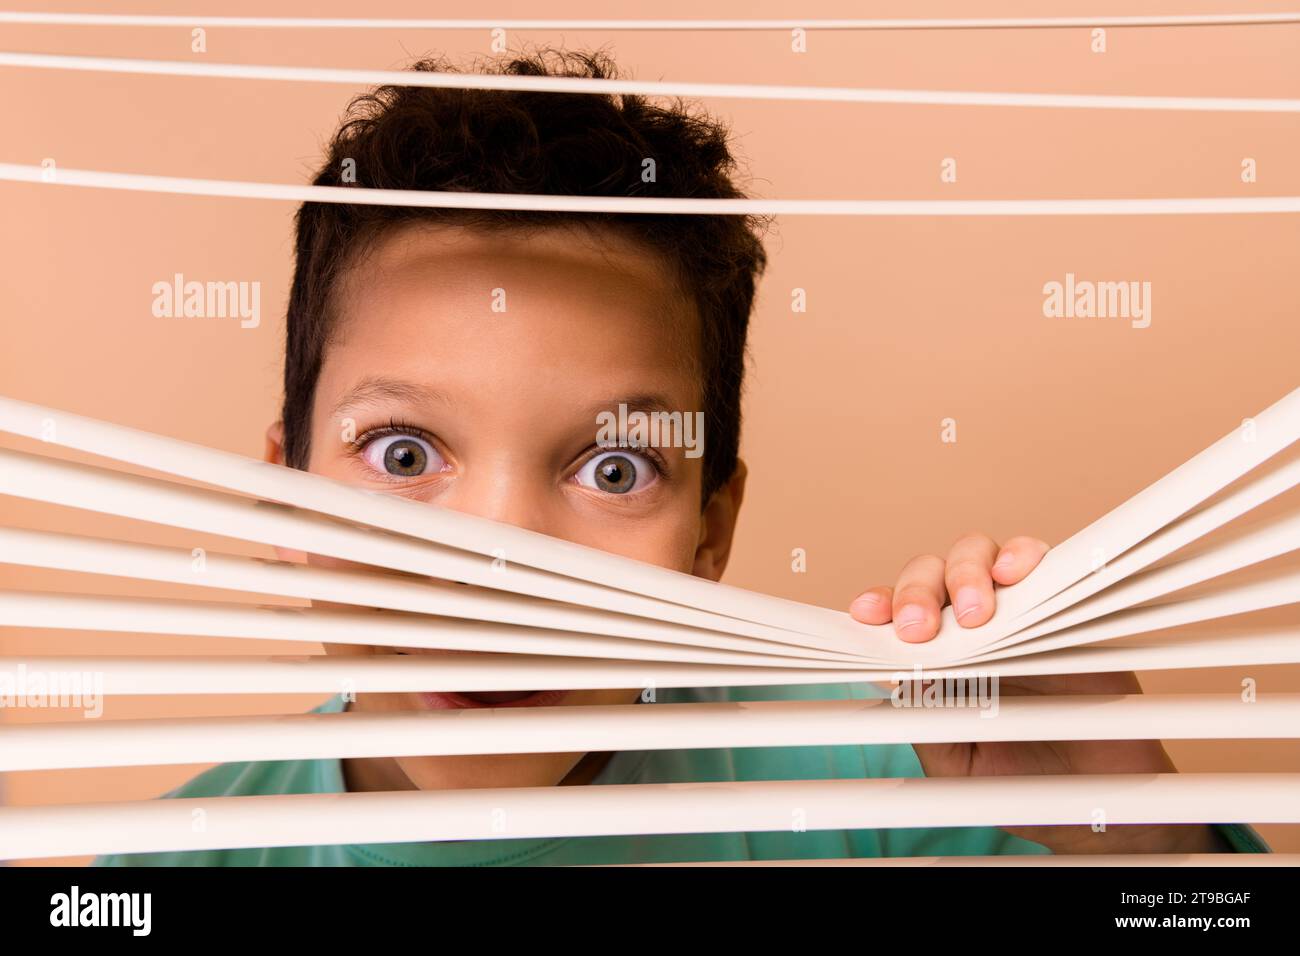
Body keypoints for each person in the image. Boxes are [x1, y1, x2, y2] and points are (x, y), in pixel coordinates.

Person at [96, 48, 1267, 866]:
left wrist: (1144, 828)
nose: (497, 576)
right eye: (403, 453)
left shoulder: (881, 781)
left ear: (713, 529)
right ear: (285, 490)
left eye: (615, 469)